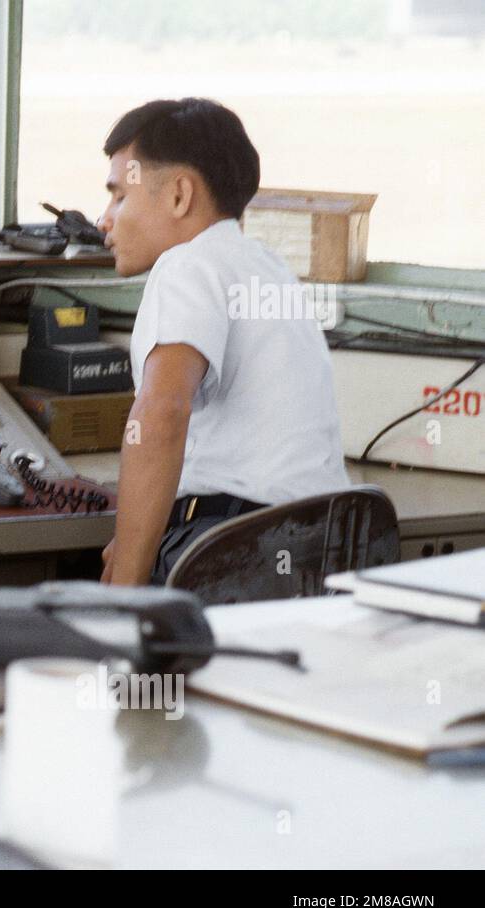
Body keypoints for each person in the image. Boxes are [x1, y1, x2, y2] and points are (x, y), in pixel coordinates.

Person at [95, 98, 349, 587]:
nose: (105, 218)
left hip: (240, 555)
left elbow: (163, 413)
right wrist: (135, 537)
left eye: (119, 196)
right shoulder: (267, 268)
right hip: (328, 548)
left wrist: (124, 585)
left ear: (178, 196)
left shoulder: (187, 266)